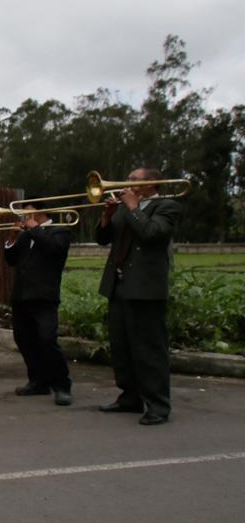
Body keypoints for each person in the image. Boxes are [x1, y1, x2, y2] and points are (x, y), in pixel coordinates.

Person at [95, 167, 182, 426]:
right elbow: (103, 239)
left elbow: (151, 234)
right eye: (128, 178)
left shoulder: (167, 206)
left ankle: (158, 405)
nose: (127, 183)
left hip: (145, 289)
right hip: (119, 285)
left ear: (152, 183)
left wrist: (133, 208)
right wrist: (106, 217)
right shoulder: (124, 206)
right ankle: (129, 396)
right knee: (121, 346)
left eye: (134, 180)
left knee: (149, 349)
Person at [4, 203, 73, 406]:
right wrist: (11, 239)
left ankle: (62, 386)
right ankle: (38, 381)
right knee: (24, 339)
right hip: (22, 295)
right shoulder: (26, 235)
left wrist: (35, 229)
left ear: (40, 212)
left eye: (27, 211)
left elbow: (54, 251)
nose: (23, 215)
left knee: (47, 339)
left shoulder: (60, 231)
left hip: (44, 295)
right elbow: (11, 260)